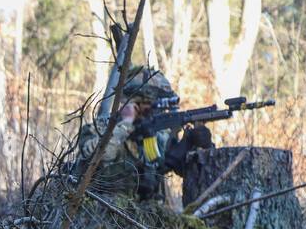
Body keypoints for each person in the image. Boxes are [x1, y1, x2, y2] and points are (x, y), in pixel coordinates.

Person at [73, 65, 212, 201]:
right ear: (134, 103)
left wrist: (194, 144)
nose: (154, 110)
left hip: (144, 212)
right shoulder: (99, 129)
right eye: (149, 104)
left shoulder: (157, 134)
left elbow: (177, 168)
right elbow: (103, 154)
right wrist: (126, 123)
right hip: (101, 207)